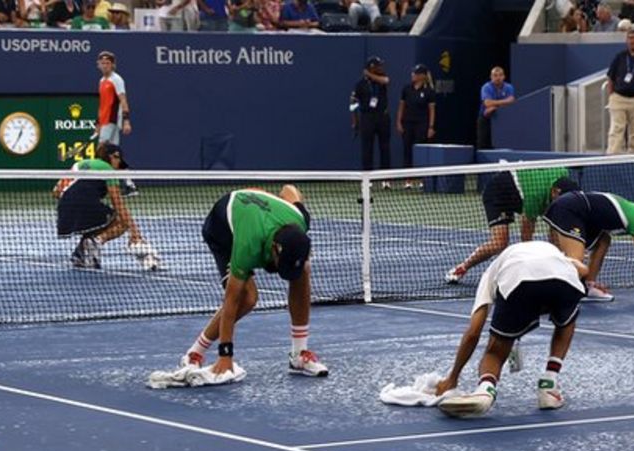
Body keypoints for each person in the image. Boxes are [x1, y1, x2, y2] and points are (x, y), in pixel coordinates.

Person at [158, 185, 328, 387]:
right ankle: (194, 354)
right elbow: (231, 299)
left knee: (302, 271)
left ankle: (299, 355)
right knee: (247, 298)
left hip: (258, 213)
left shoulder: (300, 220)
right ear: (275, 249)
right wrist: (225, 355)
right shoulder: (248, 245)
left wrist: (273, 201)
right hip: (222, 230)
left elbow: (289, 190)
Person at [435, 241, 587, 418]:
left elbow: (473, 333)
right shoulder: (555, 254)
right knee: (567, 321)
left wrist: (452, 378)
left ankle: (485, 389)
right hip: (565, 278)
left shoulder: (490, 274)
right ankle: (549, 383)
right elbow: (583, 269)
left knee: (495, 352)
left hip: (518, 282)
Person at [445, 171, 577, 284]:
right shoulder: (535, 197)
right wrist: (530, 262)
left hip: (521, 191)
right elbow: (526, 236)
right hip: (499, 192)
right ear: (555, 191)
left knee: (556, 234)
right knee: (499, 243)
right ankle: (462, 268)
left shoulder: (563, 176)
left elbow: (554, 229)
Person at [542, 191, 634, 302]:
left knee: (603, 241)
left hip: (580, 213)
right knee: (576, 261)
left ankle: (589, 286)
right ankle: (550, 292)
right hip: (570, 209)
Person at [54, 144, 159, 271]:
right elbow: (118, 203)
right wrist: (135, 233)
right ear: (112, 157)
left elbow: (56, 191)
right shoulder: (108, 170)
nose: (119, 164)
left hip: (64, 210)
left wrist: (75, 200)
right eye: (118, 159)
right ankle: (96, 241)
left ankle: (81, 254)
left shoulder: (79, 164)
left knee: (95, 224)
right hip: (86, 206)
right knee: (122, 221)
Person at [351, 56, 392, 173]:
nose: (381, 68)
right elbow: (353, 102)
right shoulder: (360, 84)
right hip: (367, 117)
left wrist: (369, 75)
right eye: (379, 65)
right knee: (367, 148)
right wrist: (354, 120)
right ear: (372, 67)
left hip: (382, 117)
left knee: (384, 147)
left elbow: (386, 81)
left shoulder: (382, 79)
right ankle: (367, 177)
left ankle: (385, 177)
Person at [396, 63, 435, 179]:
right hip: (407, 123)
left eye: (416, 74)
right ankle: (408, 179)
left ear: (422, 76)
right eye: (413, 73)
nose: (413, 75)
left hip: (422, 124)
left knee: (419, 151)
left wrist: (431, 127)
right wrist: (398, 122)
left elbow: (432, 110)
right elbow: (401, 106)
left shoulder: (429, 91)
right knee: (407, 150)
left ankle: (422, 178)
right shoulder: (406, 89)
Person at [96, 51, 131, 147]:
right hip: (104, 121)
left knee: (101, 149)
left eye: (108, 63)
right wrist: (98, 123)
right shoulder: (102, 81)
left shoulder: (116, 79)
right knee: (112, 150)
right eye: (102, 63)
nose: (105, 66)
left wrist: (126, 121)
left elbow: (123, 100)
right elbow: (102, 104)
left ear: (112, 65)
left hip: (112, 119)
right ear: (98, 65)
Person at [476, 66, 516, 149]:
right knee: (483, 144)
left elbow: (511, 101)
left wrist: (495, 106)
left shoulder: (509, 87)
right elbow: (487, 103)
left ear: (504, 76)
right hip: (486, 118)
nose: (498, 77)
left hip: (503, 118)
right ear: (491, 77)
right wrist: (504, 102)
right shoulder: (486, 87)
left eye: (500, 75)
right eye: (495, 75)